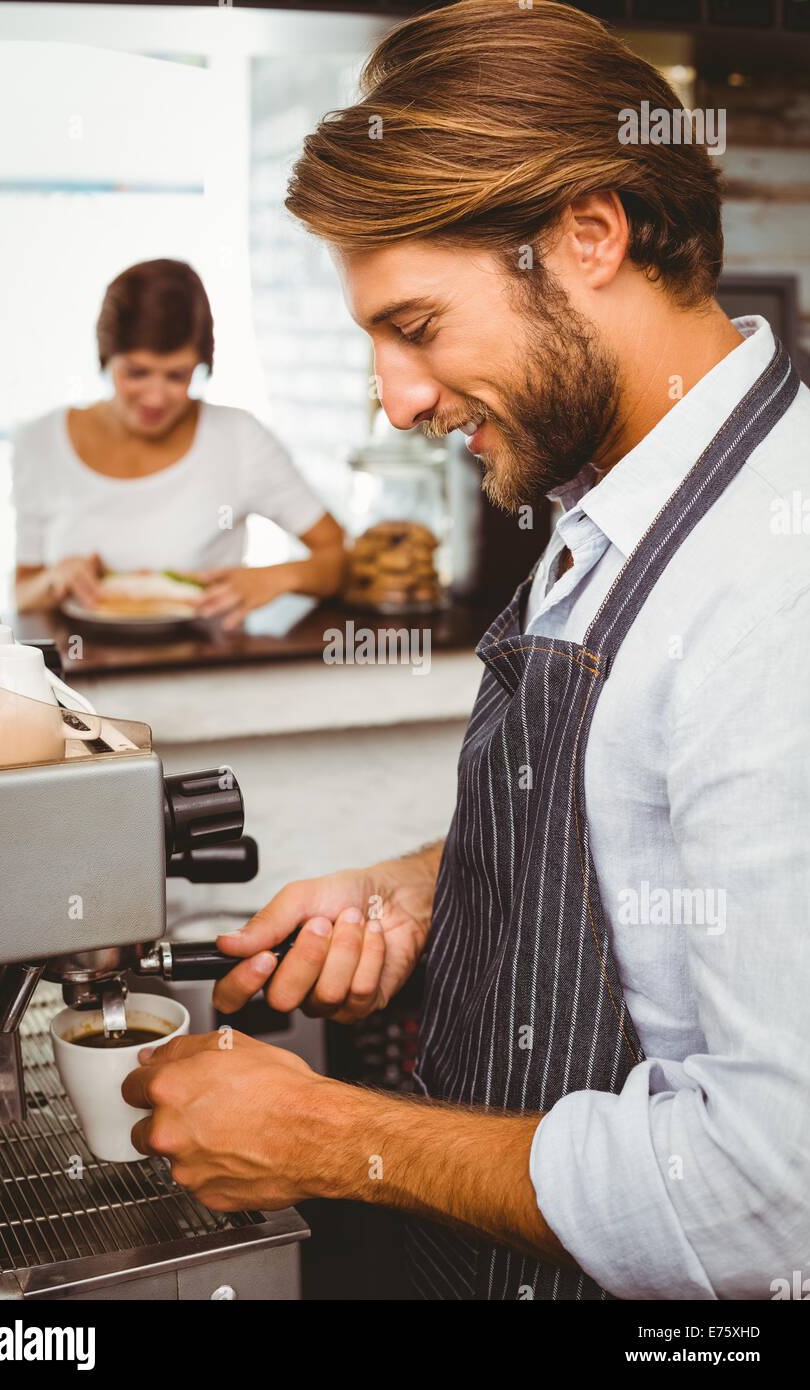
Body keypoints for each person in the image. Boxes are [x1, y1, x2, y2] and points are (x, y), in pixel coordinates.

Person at [121, 0, 810, 1300]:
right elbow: (668, 811)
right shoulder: (618, 492)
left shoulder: (776, 585)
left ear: (588, 235)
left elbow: (772, 1202)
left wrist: (322, 1135)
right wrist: (445, 880)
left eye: (418, 325)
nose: (398, 396)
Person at [12, 259, 344, 628]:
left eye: (177, 376)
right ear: (106, 356)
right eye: (136, 372)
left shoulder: (239, 439)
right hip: (76, 673)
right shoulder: (41, 441)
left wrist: (274, 578)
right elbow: (22, 591)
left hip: (206, 672)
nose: (155, 398)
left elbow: (338, 556)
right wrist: (54, 578)